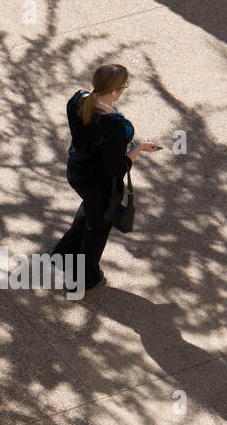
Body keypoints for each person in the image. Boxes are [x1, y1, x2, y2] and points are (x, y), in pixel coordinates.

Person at [51, 64, 160, 293]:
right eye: (123, 87)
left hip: (77, 171)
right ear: (113, 91)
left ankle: (64, 253)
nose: (123, 91)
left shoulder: (77, 99)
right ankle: (85, 279)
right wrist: (138, 149)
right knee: (97, 229)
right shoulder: (111, 126)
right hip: (99, 183)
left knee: (90, 209)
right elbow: (115, 169)